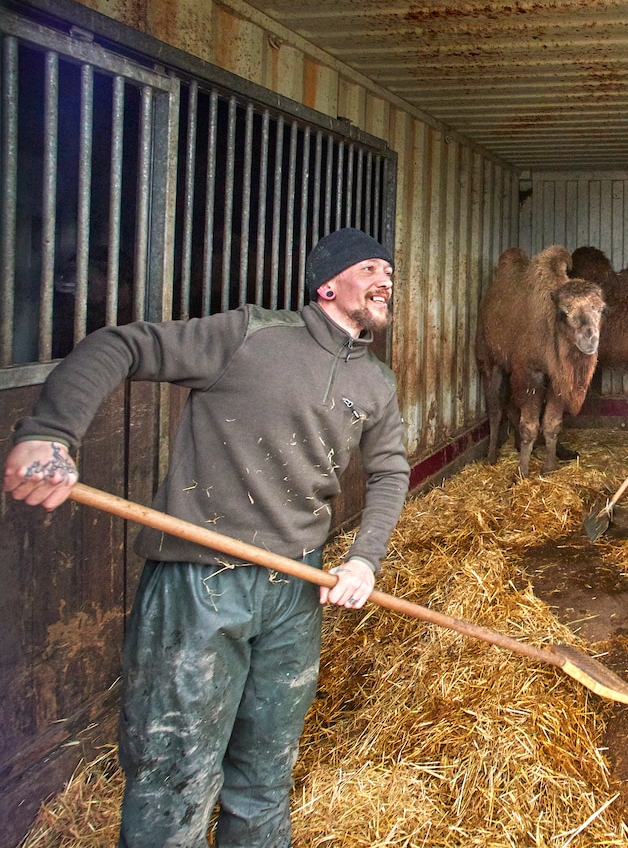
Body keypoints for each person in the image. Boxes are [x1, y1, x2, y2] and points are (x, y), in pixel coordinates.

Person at [3, 227, 410, 846]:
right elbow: (121, 346)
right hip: (200, 581)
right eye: (370, 269)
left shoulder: (377, 383)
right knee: (175, 777)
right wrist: (53, 431)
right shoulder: (250, 336)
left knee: (266, 770)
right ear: (327, 284)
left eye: (389, 272)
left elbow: (390, 472)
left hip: (296, 587)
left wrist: (363, 561)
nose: (386, 280)